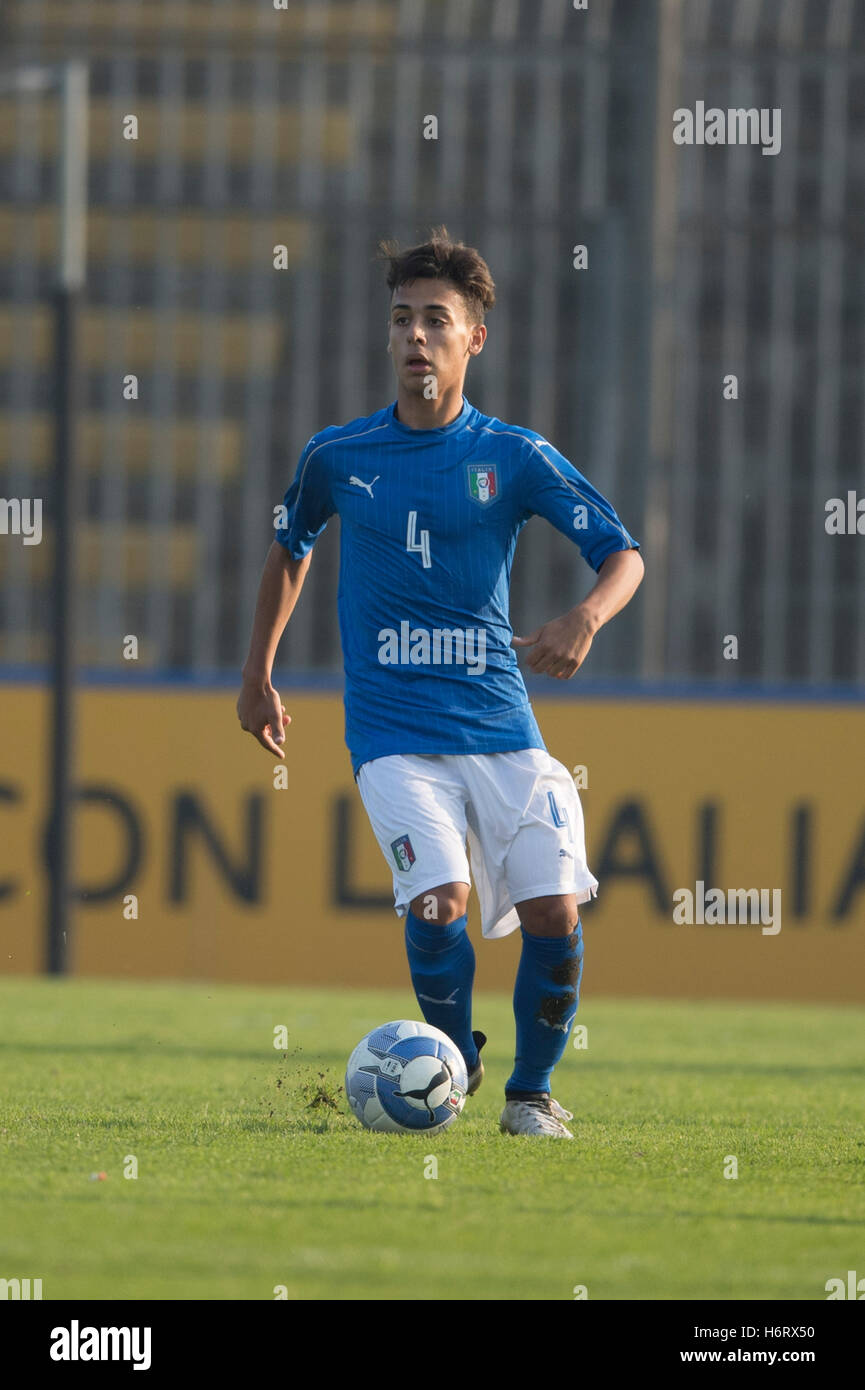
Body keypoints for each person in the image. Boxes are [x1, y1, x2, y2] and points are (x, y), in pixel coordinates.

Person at [237, 228, 644, 1138]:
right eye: (401, 319)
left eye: (435, 320)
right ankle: (450, 1064)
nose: (415, 336)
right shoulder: (338, 457)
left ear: (473, 339)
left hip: (501, 728)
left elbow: (622, 555)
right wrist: (256, 674)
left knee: (553, 909)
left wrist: (584, 618)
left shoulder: (517, 457)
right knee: (439, 900)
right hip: (391, 734)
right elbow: (290, 547)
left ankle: (530, 1096)